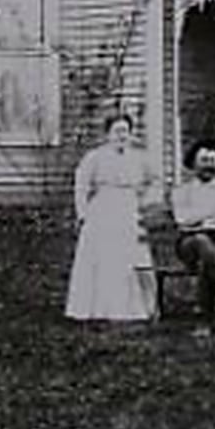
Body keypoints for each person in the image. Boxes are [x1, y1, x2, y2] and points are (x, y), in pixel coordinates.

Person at [65, 112, 160, 322]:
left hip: (129, 209)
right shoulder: (95, 157)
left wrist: (146, 201)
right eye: (117, 131)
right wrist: (82, 213)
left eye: (125, 131)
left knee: (129, 257)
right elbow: (81, 185)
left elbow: (156, 180)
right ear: (107, 134)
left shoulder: (139, 158)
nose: (121, 136)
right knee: (103, 258)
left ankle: (130, 308)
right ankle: (97, 307)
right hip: (103, 209)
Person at [171, 143, 215, 336]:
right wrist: (213, 213)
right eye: (203, 160)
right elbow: (182, 219)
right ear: (193, 164)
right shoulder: (182, 191)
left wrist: (201, 220)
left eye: (212, 161)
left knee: (207, 260)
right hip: (189, 244)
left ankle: (204, 323)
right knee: (201, 241)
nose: (208, 165)